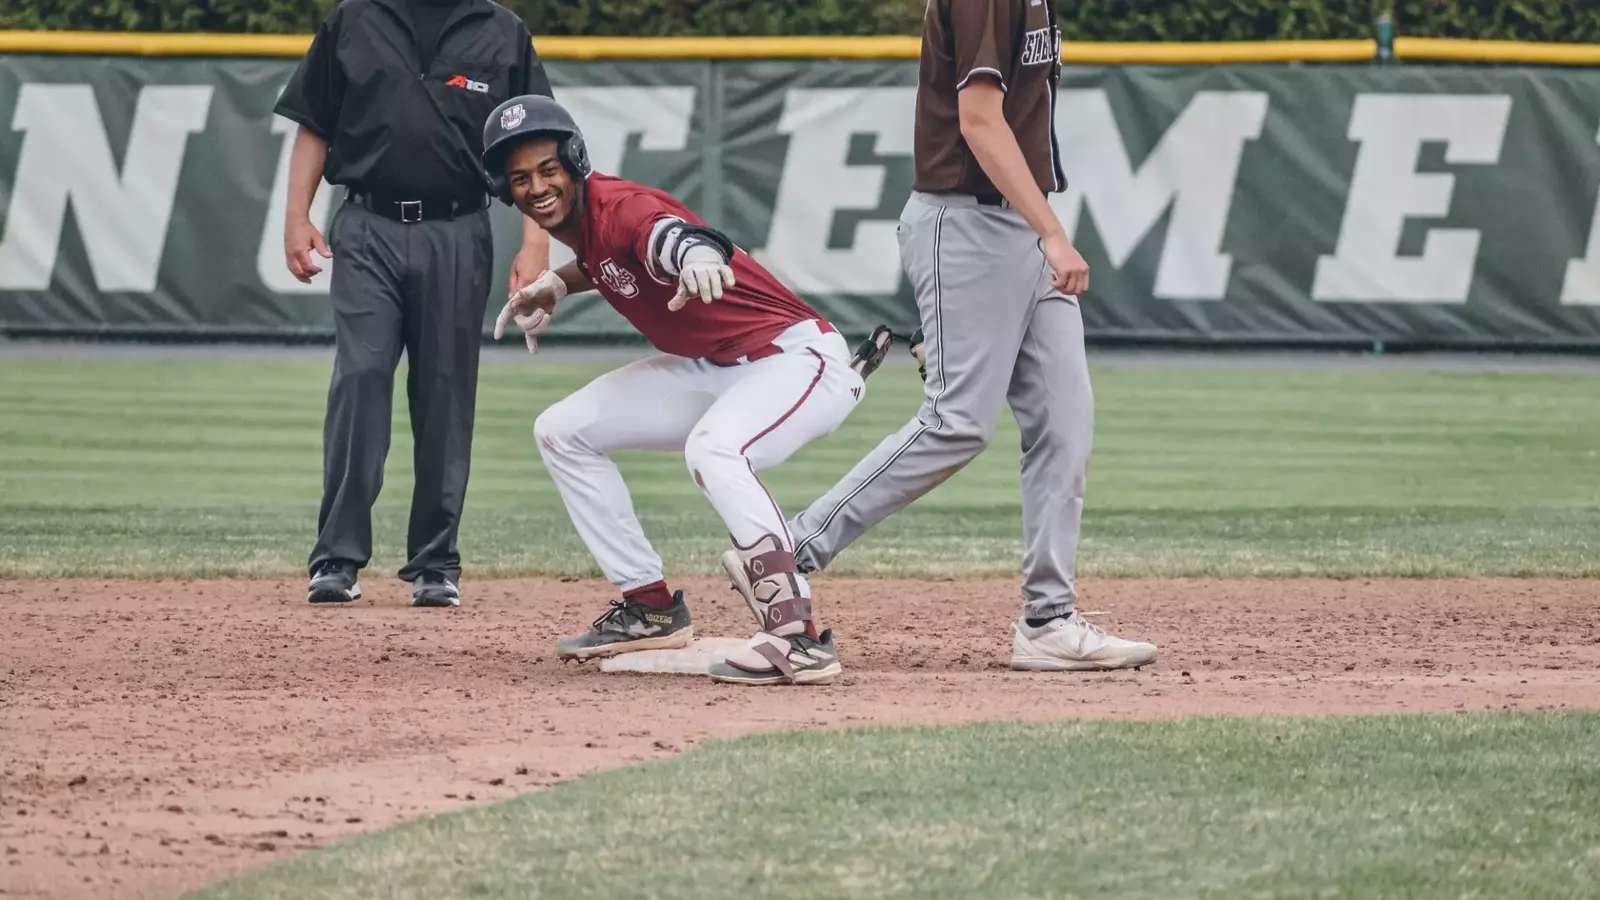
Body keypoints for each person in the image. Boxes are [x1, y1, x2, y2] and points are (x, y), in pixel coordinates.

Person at [752, 0, 1159, 671]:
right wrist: (1053, 233)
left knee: (1065, 421)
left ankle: (1047, 621)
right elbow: (977, 120)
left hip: (1019, 225)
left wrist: (1042, 229)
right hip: (967, 223)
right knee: (957, 422)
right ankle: (787, 553)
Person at [481, 95, 893, 686]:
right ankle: (649, 607)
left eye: (548, 169)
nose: (537, 186)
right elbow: (607, 258)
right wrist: (559, 283)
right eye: (520, 178)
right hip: (717, 367)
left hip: (797, 360)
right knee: (561, 430)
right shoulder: (587, 229)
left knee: (714, 450)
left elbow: (666, 235)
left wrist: (695, 252)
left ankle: (798, 639)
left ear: (574, 161)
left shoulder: (620, 207)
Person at [275, 0, 555, 608]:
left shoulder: (502, 32)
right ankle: (337, 558)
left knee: (445, 392)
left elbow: (534, 144)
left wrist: (536, 244)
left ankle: (435, 563)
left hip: (457, 229)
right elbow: (314, 124)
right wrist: (296, 216)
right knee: (362, 376)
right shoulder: (354, 21)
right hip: (367, 223)